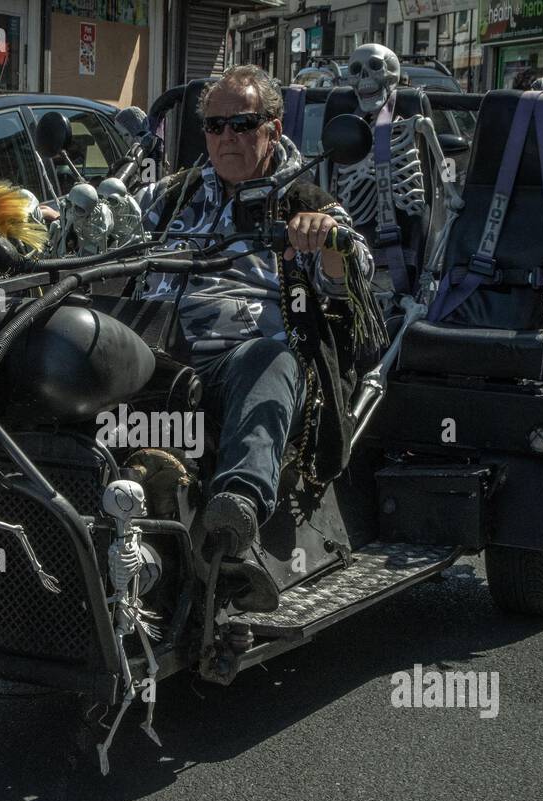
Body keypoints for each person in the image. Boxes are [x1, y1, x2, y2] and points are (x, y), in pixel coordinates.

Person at [134, 65, 377, 556]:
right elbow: (112, 235)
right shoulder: (172, 193)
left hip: (238, 361)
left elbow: (354, 279)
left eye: (242, 124)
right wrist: (57, 218)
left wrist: (327, 239)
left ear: (273, 128)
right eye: (214, 125)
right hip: (154, 349)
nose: (226, 137)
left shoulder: (305, 199)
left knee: (271, 358)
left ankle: (237, 507)